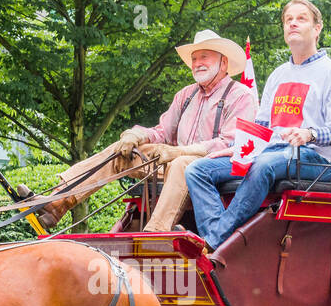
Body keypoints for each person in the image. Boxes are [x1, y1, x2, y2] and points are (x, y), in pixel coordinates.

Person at [21, 29, 258, 233]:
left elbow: (228, 144)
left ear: (224, 63)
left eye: (204, 57)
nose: (197, 63)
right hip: (174, 164)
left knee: (183, 163)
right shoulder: (185, 95)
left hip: (213, 169)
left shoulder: (241, 96)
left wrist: (178, 152)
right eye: (194, 58)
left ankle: (155, 232)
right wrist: (136, 135)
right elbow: (163, 131)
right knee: (122, 152)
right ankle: (59, 201)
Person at [186, 0, 331, 251]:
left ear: (317, 28)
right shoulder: (278, 75)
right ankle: (215, 233)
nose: (293, 24)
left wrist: (309, 134)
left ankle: (213, 240)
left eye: (301, 19)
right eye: (289, 20)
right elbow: (262, 125)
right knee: (198, 169)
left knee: (263, 165)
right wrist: (238, 148)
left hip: (314, 159)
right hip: (269, 153)